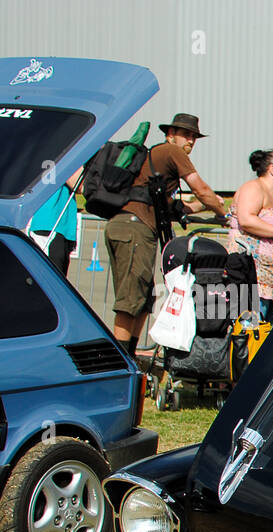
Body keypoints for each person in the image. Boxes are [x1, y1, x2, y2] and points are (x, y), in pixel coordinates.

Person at [102, 112, 225, 358]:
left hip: (132, 227)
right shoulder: (172, 152)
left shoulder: (157, 162)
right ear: (170, 135)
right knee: (130, 301)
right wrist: (223, 212)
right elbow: (200, 188)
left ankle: (130, 358)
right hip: (135, 229)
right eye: (185, 134)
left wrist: (206, 205)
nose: (190, 140)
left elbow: (175, 207)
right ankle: (120, 365)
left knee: (142, 300)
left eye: (194, 136)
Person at [227, 149, 273, 323]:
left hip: (270, 280)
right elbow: (246, 219)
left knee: (263, 331)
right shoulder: (253, 188)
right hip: (250, 275)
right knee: (249, 329)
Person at [28, 167, 80, 276]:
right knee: (50, 283)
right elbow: (80, 183)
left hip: (60, 226)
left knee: (57, 282)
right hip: (50, 224)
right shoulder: (60, 154)